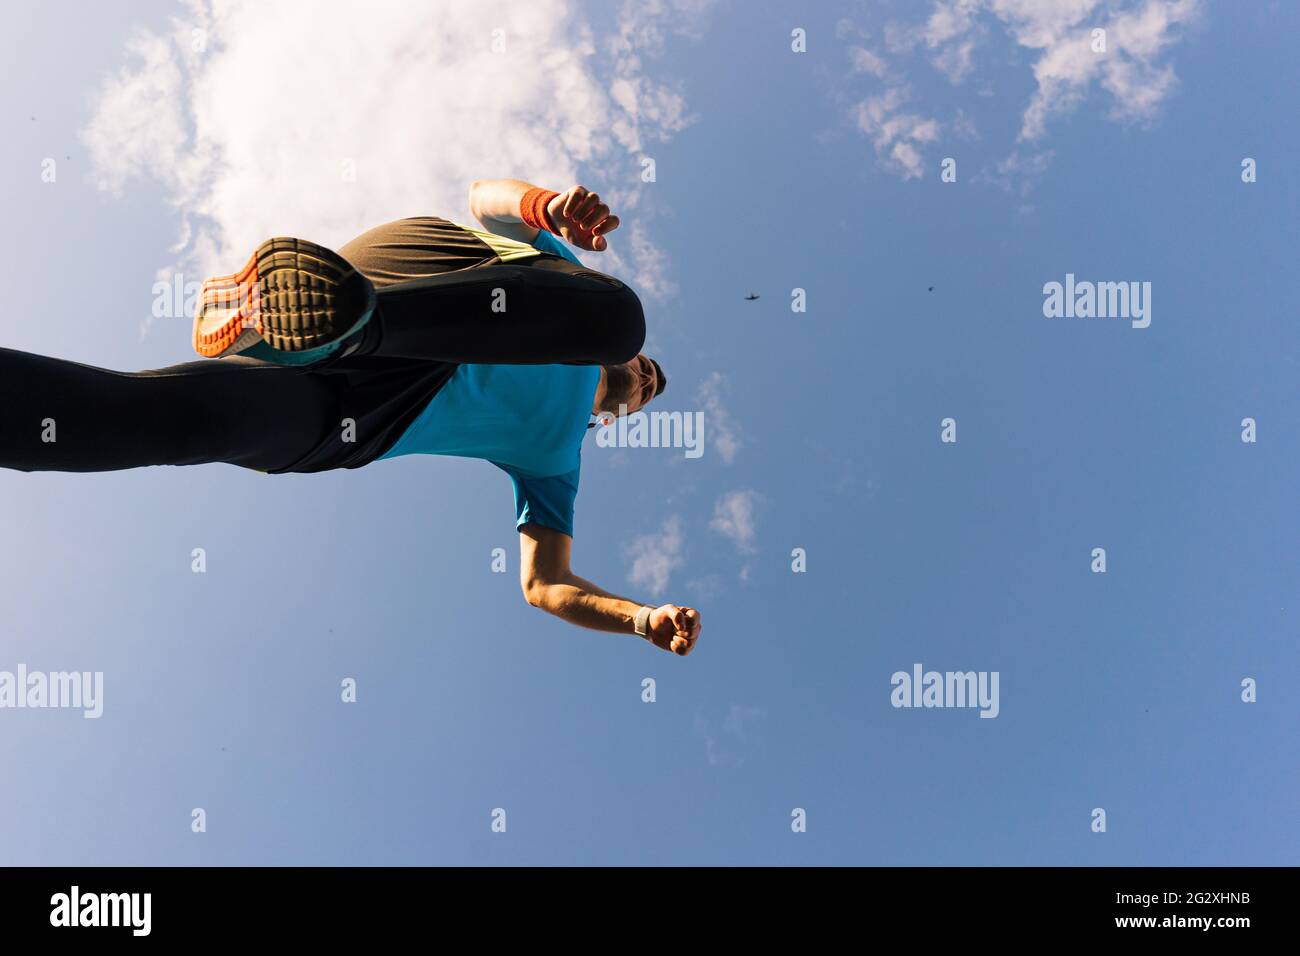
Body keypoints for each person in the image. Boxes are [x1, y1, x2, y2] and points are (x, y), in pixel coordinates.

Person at [0, 178, 701, 655]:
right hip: (429, 276)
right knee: (616, 317)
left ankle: (286, 324)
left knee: (181, 419)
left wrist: (638, 619)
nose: (647, 379)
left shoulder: (555, 459)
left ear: (624, 415)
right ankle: (351, 318)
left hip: (363, 414)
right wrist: (546, 207)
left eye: (649, 392)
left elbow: (545, 585)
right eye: (651, 372)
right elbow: (484, 199)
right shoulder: (578, 312)